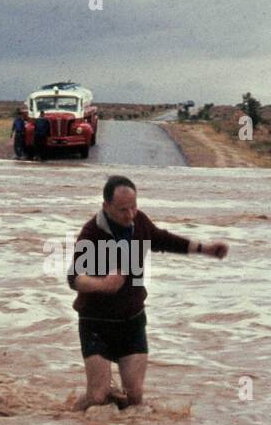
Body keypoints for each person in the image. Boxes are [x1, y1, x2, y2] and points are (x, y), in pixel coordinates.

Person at [66, 174, 228, 410]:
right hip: (95, 323)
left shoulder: (139, 223)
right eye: (123, 210)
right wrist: (103, 285)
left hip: (131, 320)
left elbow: (164, 239)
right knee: (97, 396)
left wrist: (206, 249)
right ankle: (64, 422)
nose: (130, 215)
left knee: (135, 397)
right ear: (106, 206)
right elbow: (73, 278)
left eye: (133, 207)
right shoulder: (92, 234)